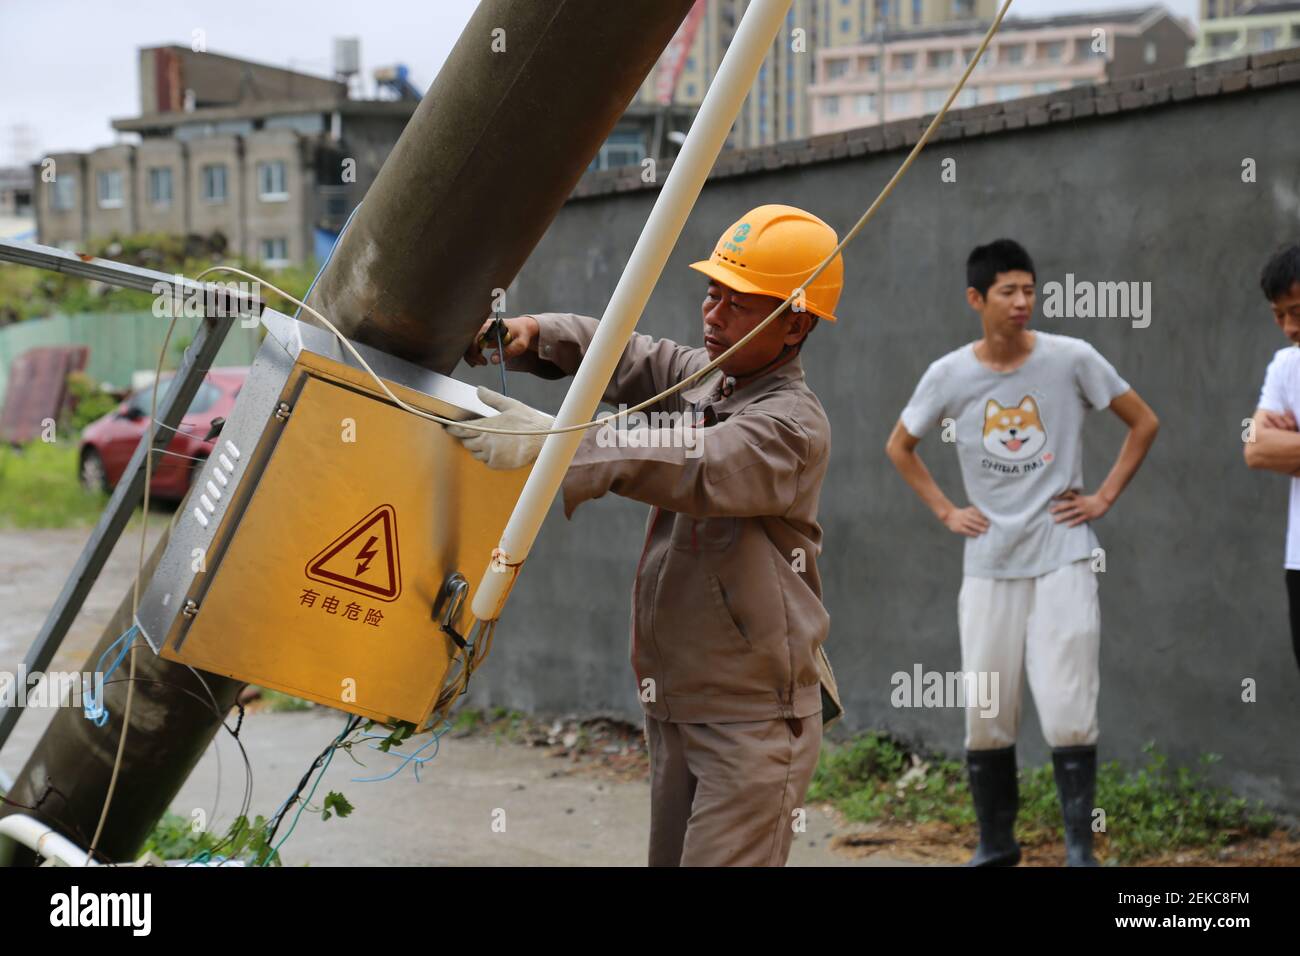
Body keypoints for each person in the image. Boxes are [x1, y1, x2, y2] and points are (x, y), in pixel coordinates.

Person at [446, 204, 844, 866]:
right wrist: (528, 334)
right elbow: (629, 356)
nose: (713, 315)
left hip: (752, 720)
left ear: (796, 322)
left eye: (739, 303)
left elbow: (691, 459)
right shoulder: (713, 379)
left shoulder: (789, 427)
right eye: (712, 293)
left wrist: (553, 448)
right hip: (679, 705)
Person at [884, 239, 1158, 866]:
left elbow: (1143, 421)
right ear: (976, 299)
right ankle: (995, 845)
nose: (1022, 302)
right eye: (1008, 291)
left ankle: (1078, 849)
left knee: (1069, 706)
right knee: (987, 710)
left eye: (1029, 290)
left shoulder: (1071, 360)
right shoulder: (950, 373)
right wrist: (947, 511)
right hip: (988, 562)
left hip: (1064, 553)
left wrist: (1102, 498)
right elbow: (900, 445)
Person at [1243, 242, 1300, 673]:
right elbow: (1255, 447)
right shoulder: (1285, 367)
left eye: (1296, 311)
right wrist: (1271, 445)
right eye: (1278, 315)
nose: (1288, 328)